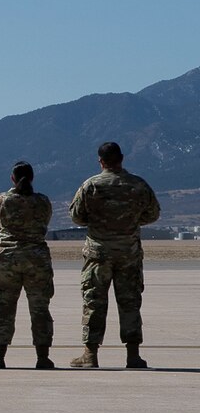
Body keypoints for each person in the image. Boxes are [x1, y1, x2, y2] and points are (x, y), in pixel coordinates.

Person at [68, 141, 160, 369]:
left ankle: (90, 354)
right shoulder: (138, 185)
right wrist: (130, 221)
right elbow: (153, 214)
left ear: (101, 161)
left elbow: (77, 216)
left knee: (94, 302)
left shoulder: (91, 185)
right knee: (130, 302)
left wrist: (99, 223)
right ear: (122, 158)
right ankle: (133, 355)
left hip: (98, 253)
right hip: (129, 253)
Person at [0, 161, 55, 369]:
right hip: (37, 258)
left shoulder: (1, 200)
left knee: (4, 308)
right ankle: (43, 357)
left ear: (12, 178)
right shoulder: (42, 201)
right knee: (40, 309)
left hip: (8, 258)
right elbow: (45, 222)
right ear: (32, 178)